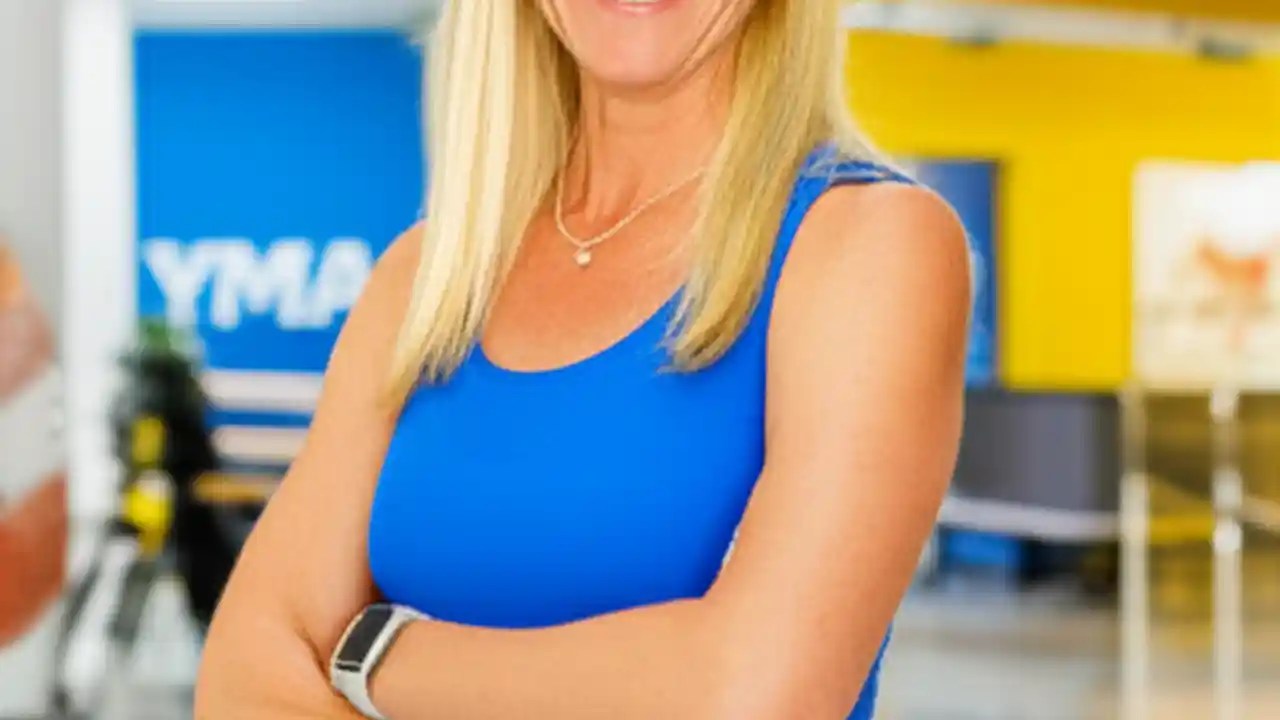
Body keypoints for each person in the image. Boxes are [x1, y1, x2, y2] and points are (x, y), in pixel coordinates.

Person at [196, 0, 970, 718]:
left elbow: (747, 695)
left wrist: (375, 654)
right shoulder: (427, 279)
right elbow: (242, 677)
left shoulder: (869, 246)